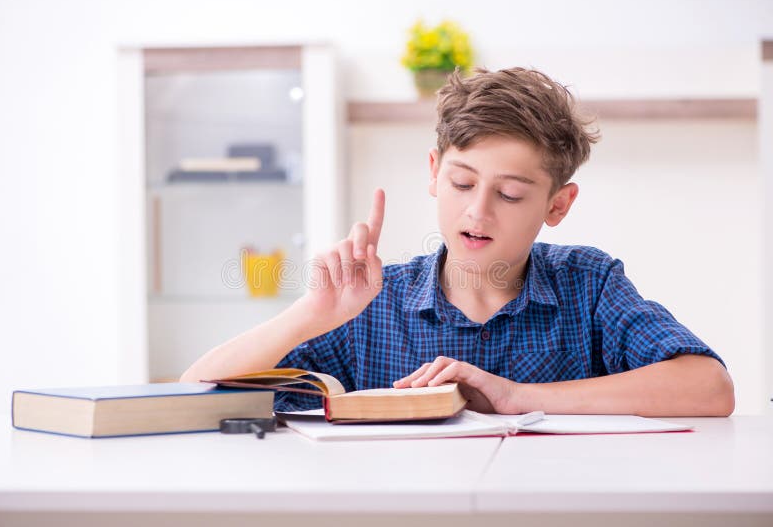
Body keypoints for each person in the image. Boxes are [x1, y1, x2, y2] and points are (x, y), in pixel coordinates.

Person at [180, 67, 734, 417]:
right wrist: (308, 314)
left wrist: (519, 397)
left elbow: (709, 387)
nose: (477, 210)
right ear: (433, 171)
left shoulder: (588, 284)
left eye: (511, 194)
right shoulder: (372, 305)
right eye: (462, 183)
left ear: (558, 205)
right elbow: (197, 394)